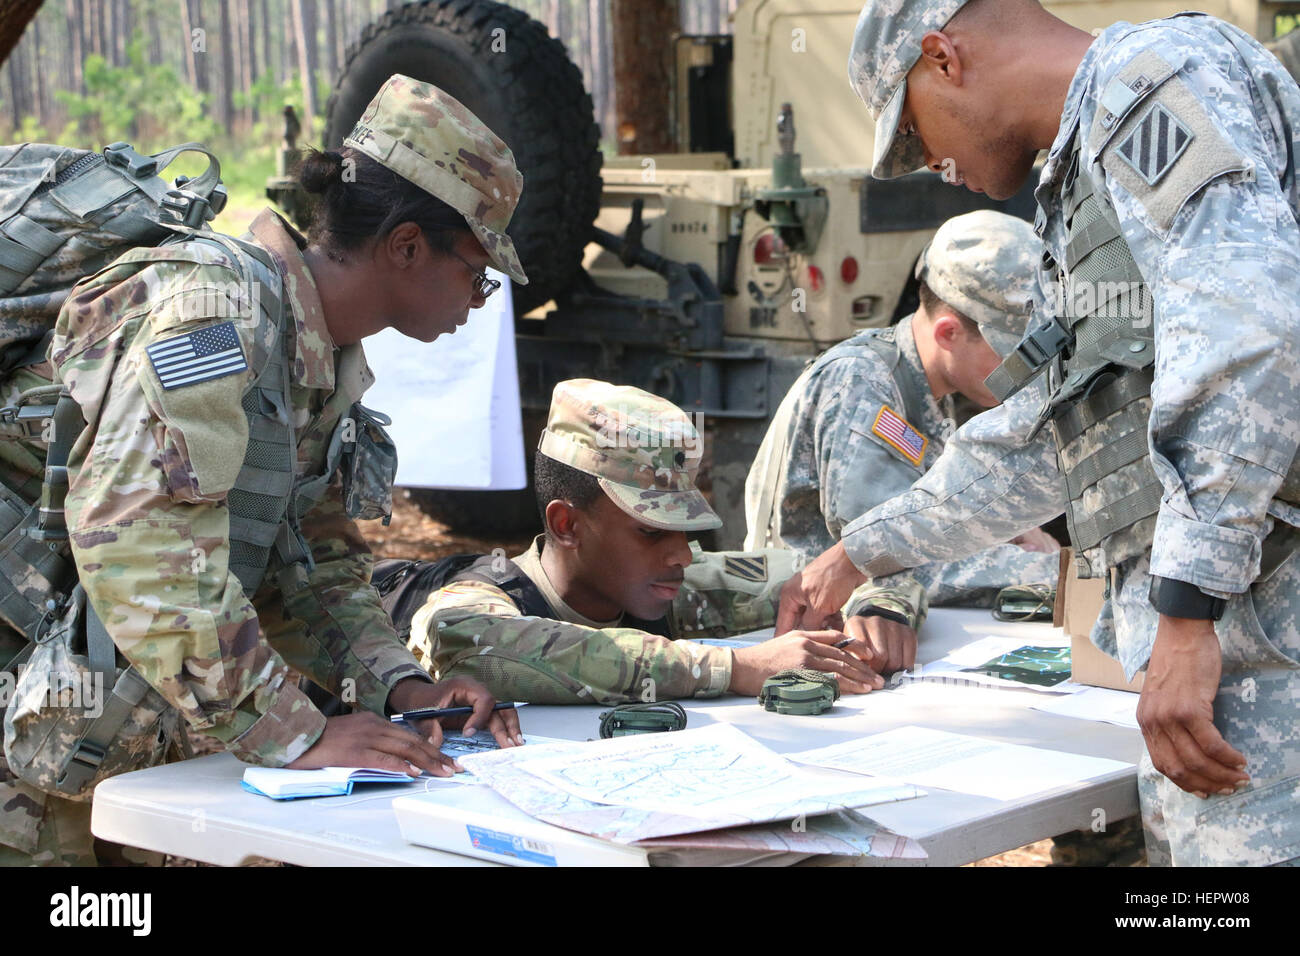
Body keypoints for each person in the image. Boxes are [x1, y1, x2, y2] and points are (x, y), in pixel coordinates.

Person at [782, 0, 1300, 866]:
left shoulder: (1151, 85)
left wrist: (1185, 614)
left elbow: (1252, 327)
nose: (933, 168)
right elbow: (1053, 429)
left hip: (1255, 633)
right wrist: (865, 550)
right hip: (1220, 650)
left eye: (916, 134)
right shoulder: (1082, 175)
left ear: (944, 57)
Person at [0, 75, 524, 866]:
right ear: (407, 244)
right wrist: (295, 730)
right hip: (33, 740)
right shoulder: (216, 314)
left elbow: (316, 569)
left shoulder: (317, 364)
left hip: (124, 726)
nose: (480, 300)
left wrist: (397, 688)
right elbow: (139, 549)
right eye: (477, 272)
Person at [391, 378, 905, 705]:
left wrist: (877, 607)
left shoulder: (665, 583)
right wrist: (736, 668)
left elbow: (822, 573)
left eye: (686, 531)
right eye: (652, 531)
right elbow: (490, 649)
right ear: (567, 525)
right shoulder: (473, 603)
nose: (682, 555)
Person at [744, 210, 1060, 654]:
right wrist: (1055, 572)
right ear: (948, 333)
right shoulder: (864, 383)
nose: (1026, 375)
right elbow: (888, 559)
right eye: (1014, 358)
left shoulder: (926, 384)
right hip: (808, 633)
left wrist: (1006, 529)